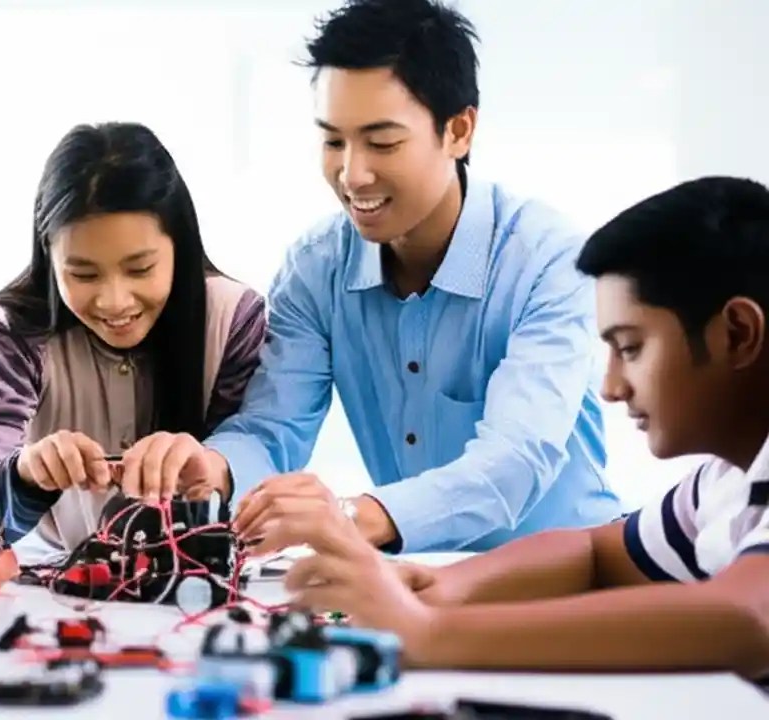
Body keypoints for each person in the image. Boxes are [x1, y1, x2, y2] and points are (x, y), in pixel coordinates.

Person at [268, 176, 769, 679]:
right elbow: (596, 551)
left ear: (739, 334)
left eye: (631, 348)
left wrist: (425, 633)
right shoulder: (722, 482)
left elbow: (748, 618)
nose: (611, 387)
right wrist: (442, 589)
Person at [212, 0, 623, 554]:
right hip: (418, 588)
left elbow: (517, 459)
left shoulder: (547, 259)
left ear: (458, 130)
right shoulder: (315, 267)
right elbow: (270, 430)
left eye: (382, 142)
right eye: (333, 141)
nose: (352, 174)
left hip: (572, 585)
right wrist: (214, 468)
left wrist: (356, 515)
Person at [0, 121, 266, 553]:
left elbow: (255, 500)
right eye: (83, 274)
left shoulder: (233, 320)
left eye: (140, 269)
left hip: (196, 586)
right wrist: (26, 476)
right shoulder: (14, 332)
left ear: (180, 246)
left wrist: (205, 470)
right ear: (49, 257)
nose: (115, 302)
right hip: (50, 580)